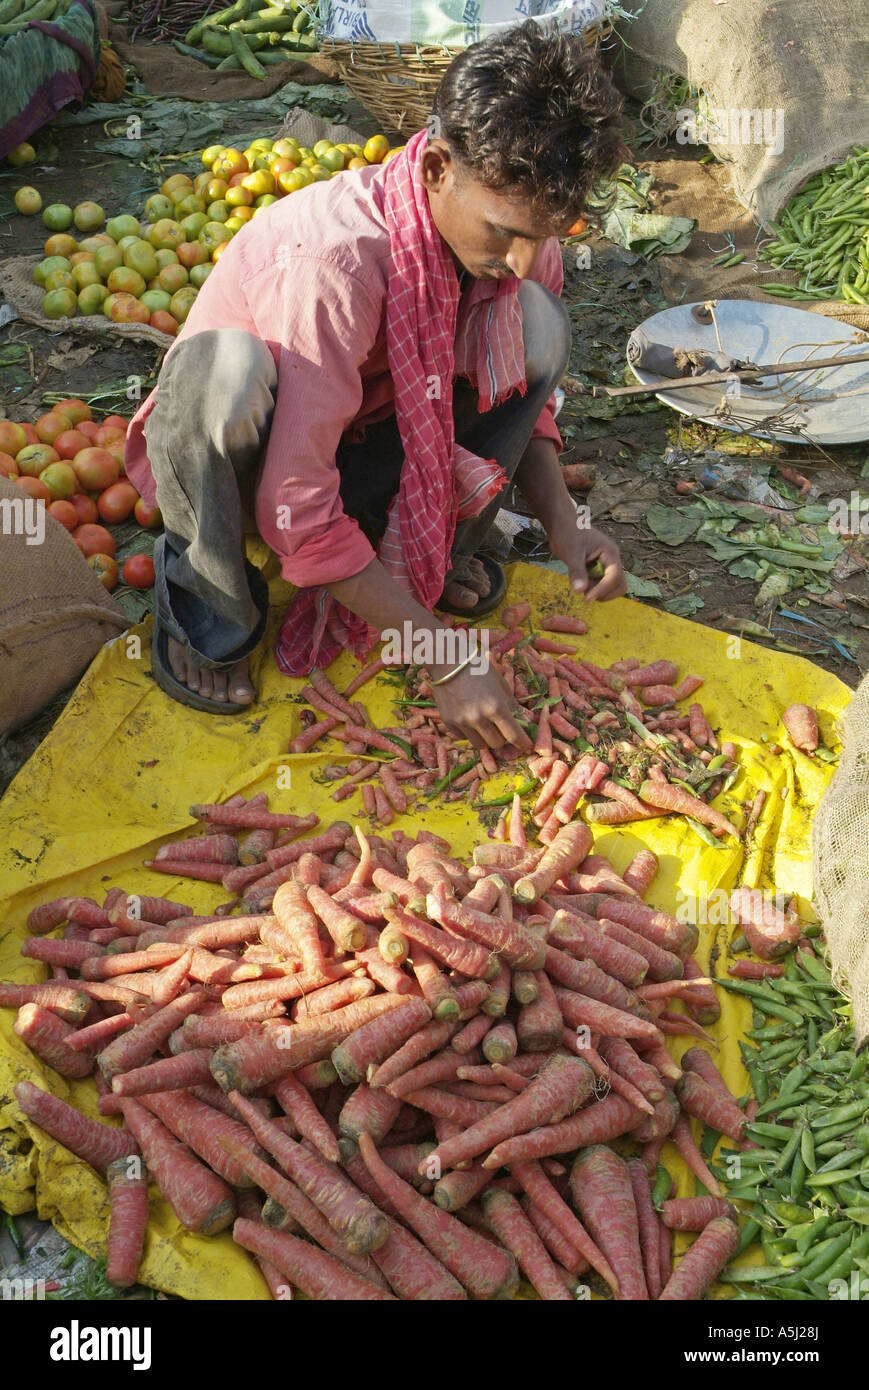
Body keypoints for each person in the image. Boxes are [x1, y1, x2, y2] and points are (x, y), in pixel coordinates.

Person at [124, 18, 628, 752]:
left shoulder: (522, 247)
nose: (522, 258)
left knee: (539, 320)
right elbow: (293, 504)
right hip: (255, 455)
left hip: (370, 433)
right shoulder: (333, 265)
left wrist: (562, 524)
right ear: (436, 169)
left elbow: (526, 397)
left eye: (543, 233)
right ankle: (209, 608)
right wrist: (440, 652)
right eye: (502, 231)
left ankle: (424, 550)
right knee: (222, 377)